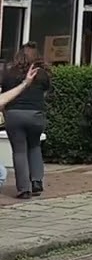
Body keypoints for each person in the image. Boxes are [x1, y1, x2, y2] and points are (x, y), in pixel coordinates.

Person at [2, 43, 50, 199]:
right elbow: (45, 94)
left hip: (14, 115)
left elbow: (5, 97)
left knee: (19, 151)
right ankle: (37, 181)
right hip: (36, 115)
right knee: (35, 146)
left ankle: (24, 189)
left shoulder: (9, 73)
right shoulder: (42, 74)